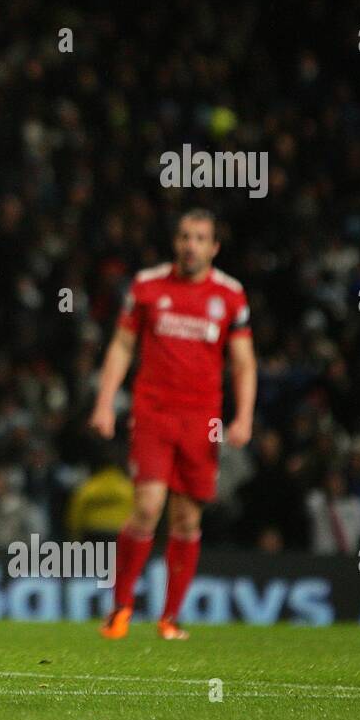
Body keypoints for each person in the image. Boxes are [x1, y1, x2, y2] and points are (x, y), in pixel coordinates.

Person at [89, 209, 256, 640]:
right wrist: (106, 403)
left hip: (202, 420)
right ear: (175, 242)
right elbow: (122, 346)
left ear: (214, 247)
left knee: (186, 521)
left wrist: (244, 417)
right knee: (146, 507)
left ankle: (170, 618)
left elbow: (243, 363)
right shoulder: (147, 286)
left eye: (200, 238)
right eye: (184, 236)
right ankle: (121, 608)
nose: (190, 245)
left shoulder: (231, 296)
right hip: (153, 413)